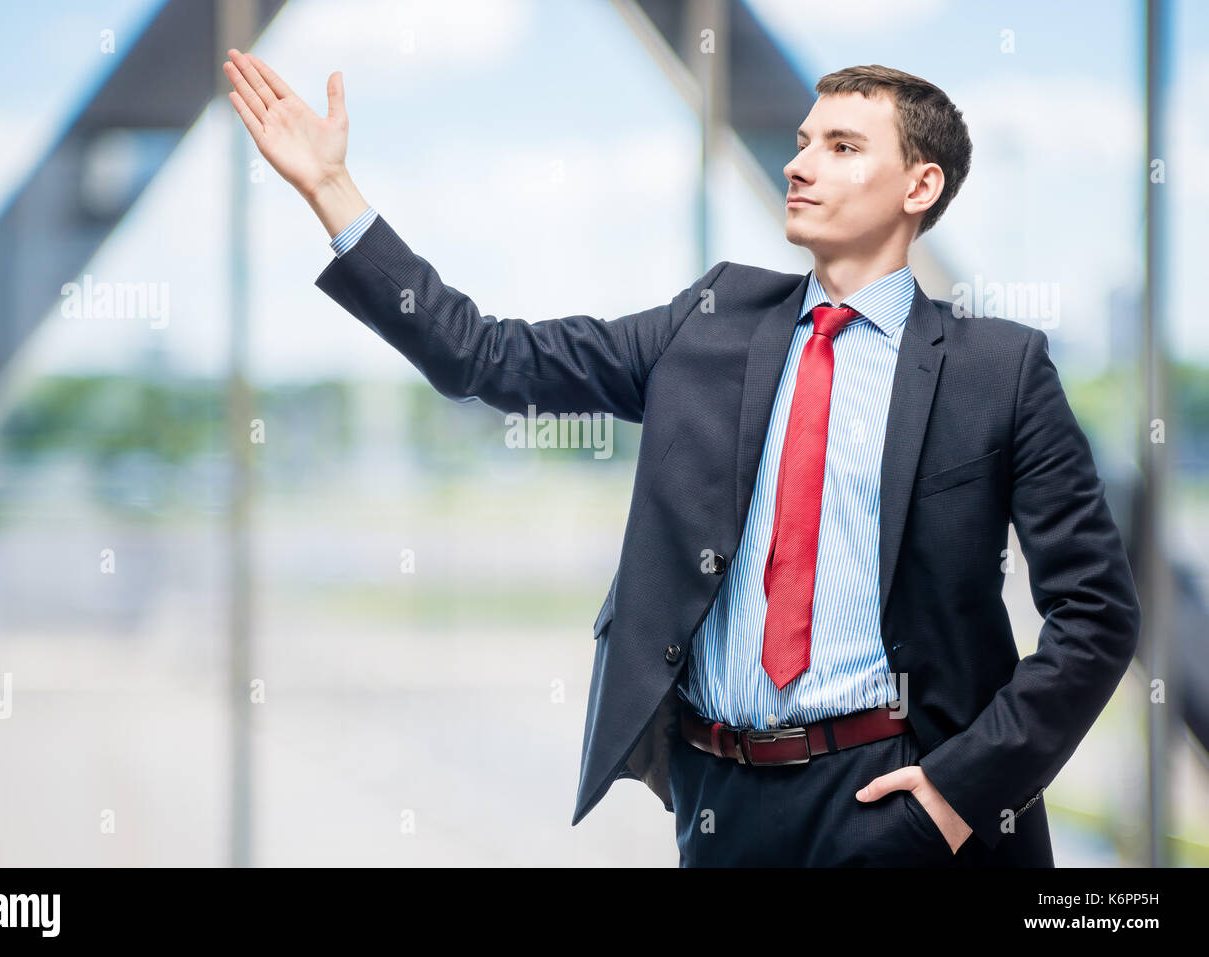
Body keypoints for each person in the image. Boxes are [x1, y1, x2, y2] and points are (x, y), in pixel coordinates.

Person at [224, 51, 1141, 867]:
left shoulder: (1000, 370)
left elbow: (1096, 615)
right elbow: (486, 356)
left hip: (899, 800)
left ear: (919, 186)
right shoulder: (710, 322)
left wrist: (954, 795)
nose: (798, 163)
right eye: (800, 139)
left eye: (842, 147)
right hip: (724, 805)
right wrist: (332, 192)